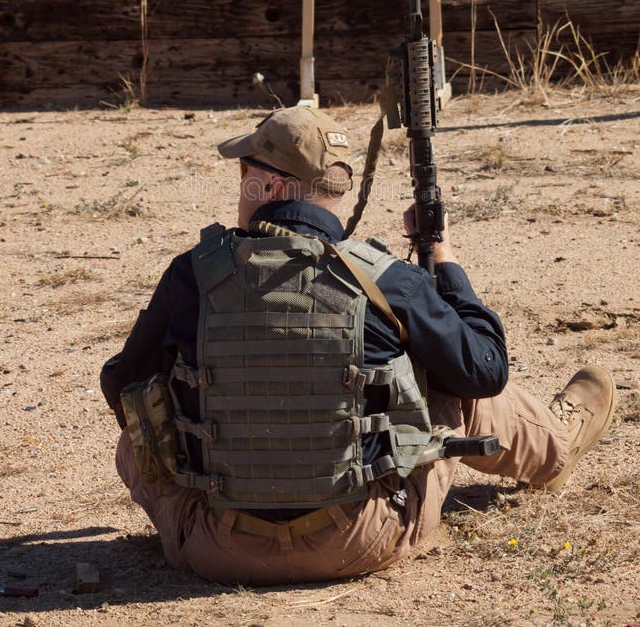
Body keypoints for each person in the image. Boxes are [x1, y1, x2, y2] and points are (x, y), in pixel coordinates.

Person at [100, 106, 616, 586]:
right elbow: (486, 371)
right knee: (446, 383)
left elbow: (121, 385)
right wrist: (444, 259)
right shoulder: (386, 280)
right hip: (361, 539)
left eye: (244, 175)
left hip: (214, 547)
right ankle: (556, 447)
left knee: (142, 428)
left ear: (271, 184)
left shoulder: (191, 276)